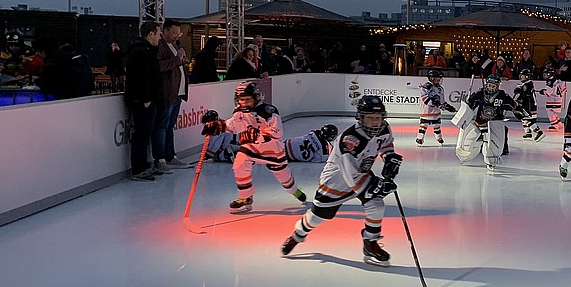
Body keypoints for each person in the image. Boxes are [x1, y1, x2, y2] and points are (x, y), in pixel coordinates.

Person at [279, 96, 401, 265]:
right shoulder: (350, 139)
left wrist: (390, 158)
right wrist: (377, 186)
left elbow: (386, 144)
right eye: (370, 118)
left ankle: (370, 243)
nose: (375, 122)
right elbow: (351, 176)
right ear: (361, 118)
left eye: (378, 118)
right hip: (336, 181)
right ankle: (297, 235)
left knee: (376, 205)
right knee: (316, 218)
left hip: (361, 173)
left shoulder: (384, 128)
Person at [200, 81, 307, 213]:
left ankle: (294, 190)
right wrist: (219, 126)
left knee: (284, 178)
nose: (243, 103)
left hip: (272, 149)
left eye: (247, 99)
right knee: (239, 164)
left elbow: (277, 131)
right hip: (252, 147)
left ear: (256, 97)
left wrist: (259, 135)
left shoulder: (268, 111)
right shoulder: (239, 112)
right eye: (241, 100)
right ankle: (246, 198)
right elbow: (233, 125)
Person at [457, 74, 529, 172]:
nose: (491, 88)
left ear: (498, 86)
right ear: (486, 85)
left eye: (493, 86)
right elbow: (470, 105)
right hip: (479, 123)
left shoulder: (503, 95)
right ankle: (466, 156)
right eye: (490, 85)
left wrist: (520, 111)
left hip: (493, 126)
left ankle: (491, 162)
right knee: (468, 143)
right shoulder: (480, 93)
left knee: (491, 146)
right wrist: (468, 104)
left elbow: (514, 106)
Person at [123, 22, 164, 181]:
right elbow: (140, 78)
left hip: (148, 99)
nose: (159, 38)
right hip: (143, 100)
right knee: (141, 134)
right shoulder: (141, 52)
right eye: (158, 34)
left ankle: (144, 165)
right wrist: (146, 98)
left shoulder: (146, 51)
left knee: (145, 133)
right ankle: (138, 168)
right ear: (151, 34)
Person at [151, 19, 191, 174]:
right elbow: (160, 67)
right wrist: (176, 60)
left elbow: (175, 65)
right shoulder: (159, 46)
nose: (176, 35)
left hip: (176, 93)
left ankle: (170, 155)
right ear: (165, 30)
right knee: (161, 126)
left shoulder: (174, 46)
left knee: (169, 126)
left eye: (178, 33)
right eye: (174, 32)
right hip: (167, 93)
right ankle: (160, 158)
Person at [416, 68, 457, 146]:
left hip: (436, 112)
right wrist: (434, 102)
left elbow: (442, 101)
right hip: (426, 111)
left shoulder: (440, 89)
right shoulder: (427, 86)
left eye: (439, 78)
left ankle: (439, 137)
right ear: (432, 78)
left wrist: (448, 107)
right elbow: (425, 98)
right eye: (437, 78)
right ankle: (420, 138)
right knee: (424, 125)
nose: (439, 80)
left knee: (436, 125)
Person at [512, 68, 545, 141]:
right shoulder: (527, 84)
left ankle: (538, 132)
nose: (521, 77)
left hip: (529, 106)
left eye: (523, 76)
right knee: (524, 118)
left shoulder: (526, 85)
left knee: (525, 118)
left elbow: (525, 96)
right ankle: (528, 133)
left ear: (527, 77)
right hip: (530, 105)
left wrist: (519, 101)